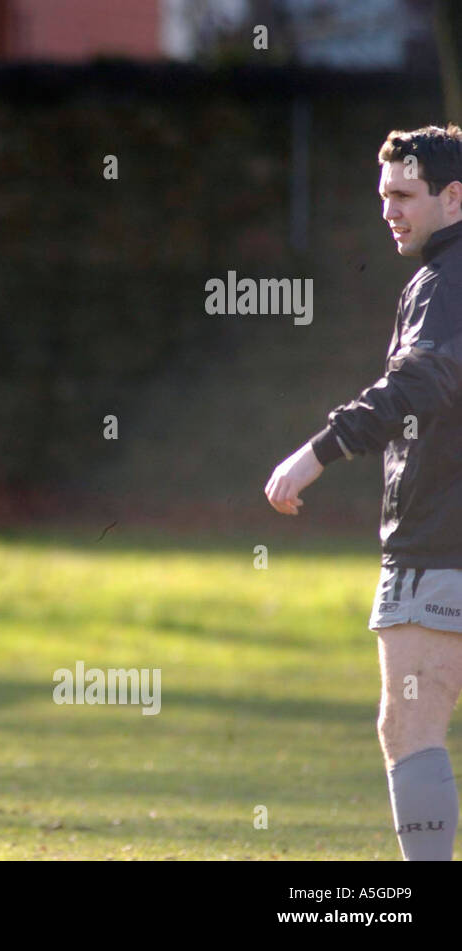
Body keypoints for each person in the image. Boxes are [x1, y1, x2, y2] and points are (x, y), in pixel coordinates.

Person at [266, 124, 462, 860]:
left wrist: (321, 450)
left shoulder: (446, 284)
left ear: (455, 197)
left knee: (409, 726)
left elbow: (423, 378)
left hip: (439, 544)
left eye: (405, 196)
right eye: (384, 196)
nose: (389, 210)